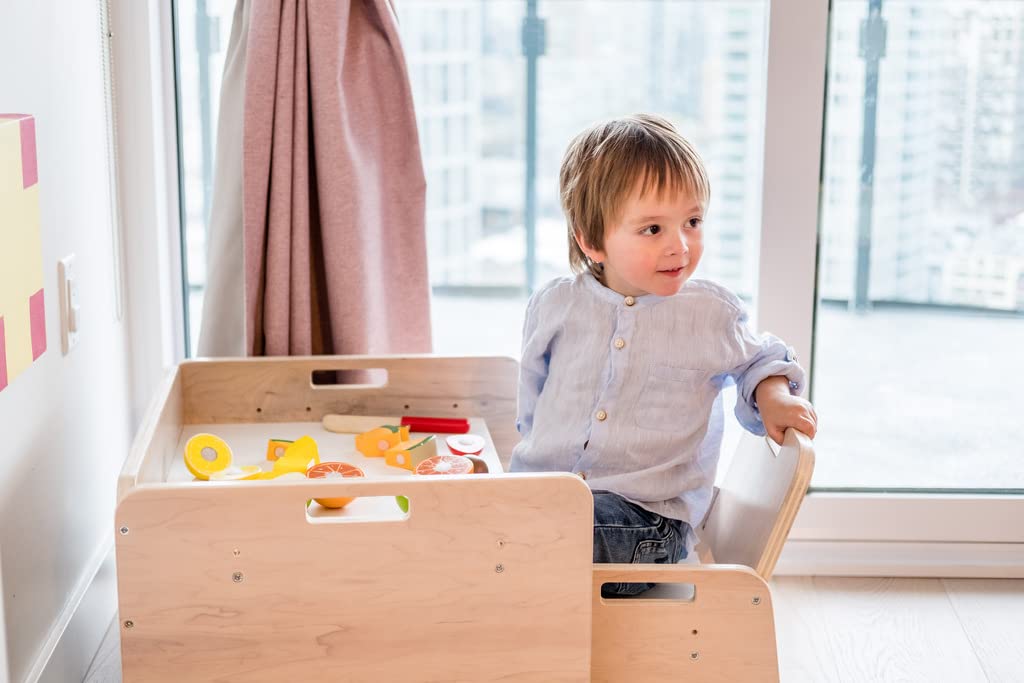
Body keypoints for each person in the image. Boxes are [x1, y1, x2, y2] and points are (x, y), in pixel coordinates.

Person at [509, 113, 818, 597]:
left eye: (693, 222)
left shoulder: (708, 313)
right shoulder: (556, 306)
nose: (680, 245)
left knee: (552, 537)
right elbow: (530, 400)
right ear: (590, 241)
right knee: (486, 521)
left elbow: (762, 358)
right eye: (652, 228)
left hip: (647, 523)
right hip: (542, 498)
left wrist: (773, 395)